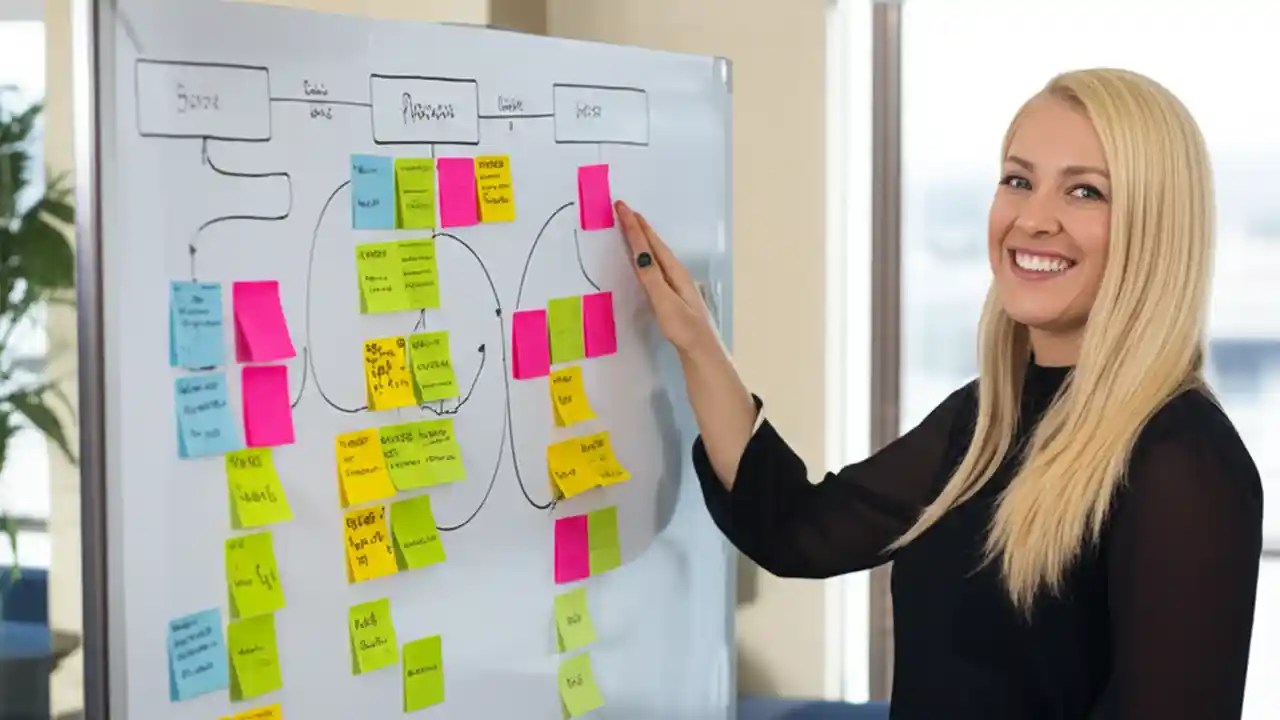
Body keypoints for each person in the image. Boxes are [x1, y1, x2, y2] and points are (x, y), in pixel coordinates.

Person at [615, 67, 1263, 719]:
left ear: (1155, 230)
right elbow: (795, 528)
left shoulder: (1184, 463)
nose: (1033, 219)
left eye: (1085, 192)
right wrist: (697, 341)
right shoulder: (987, 420)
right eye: (1018, 180)